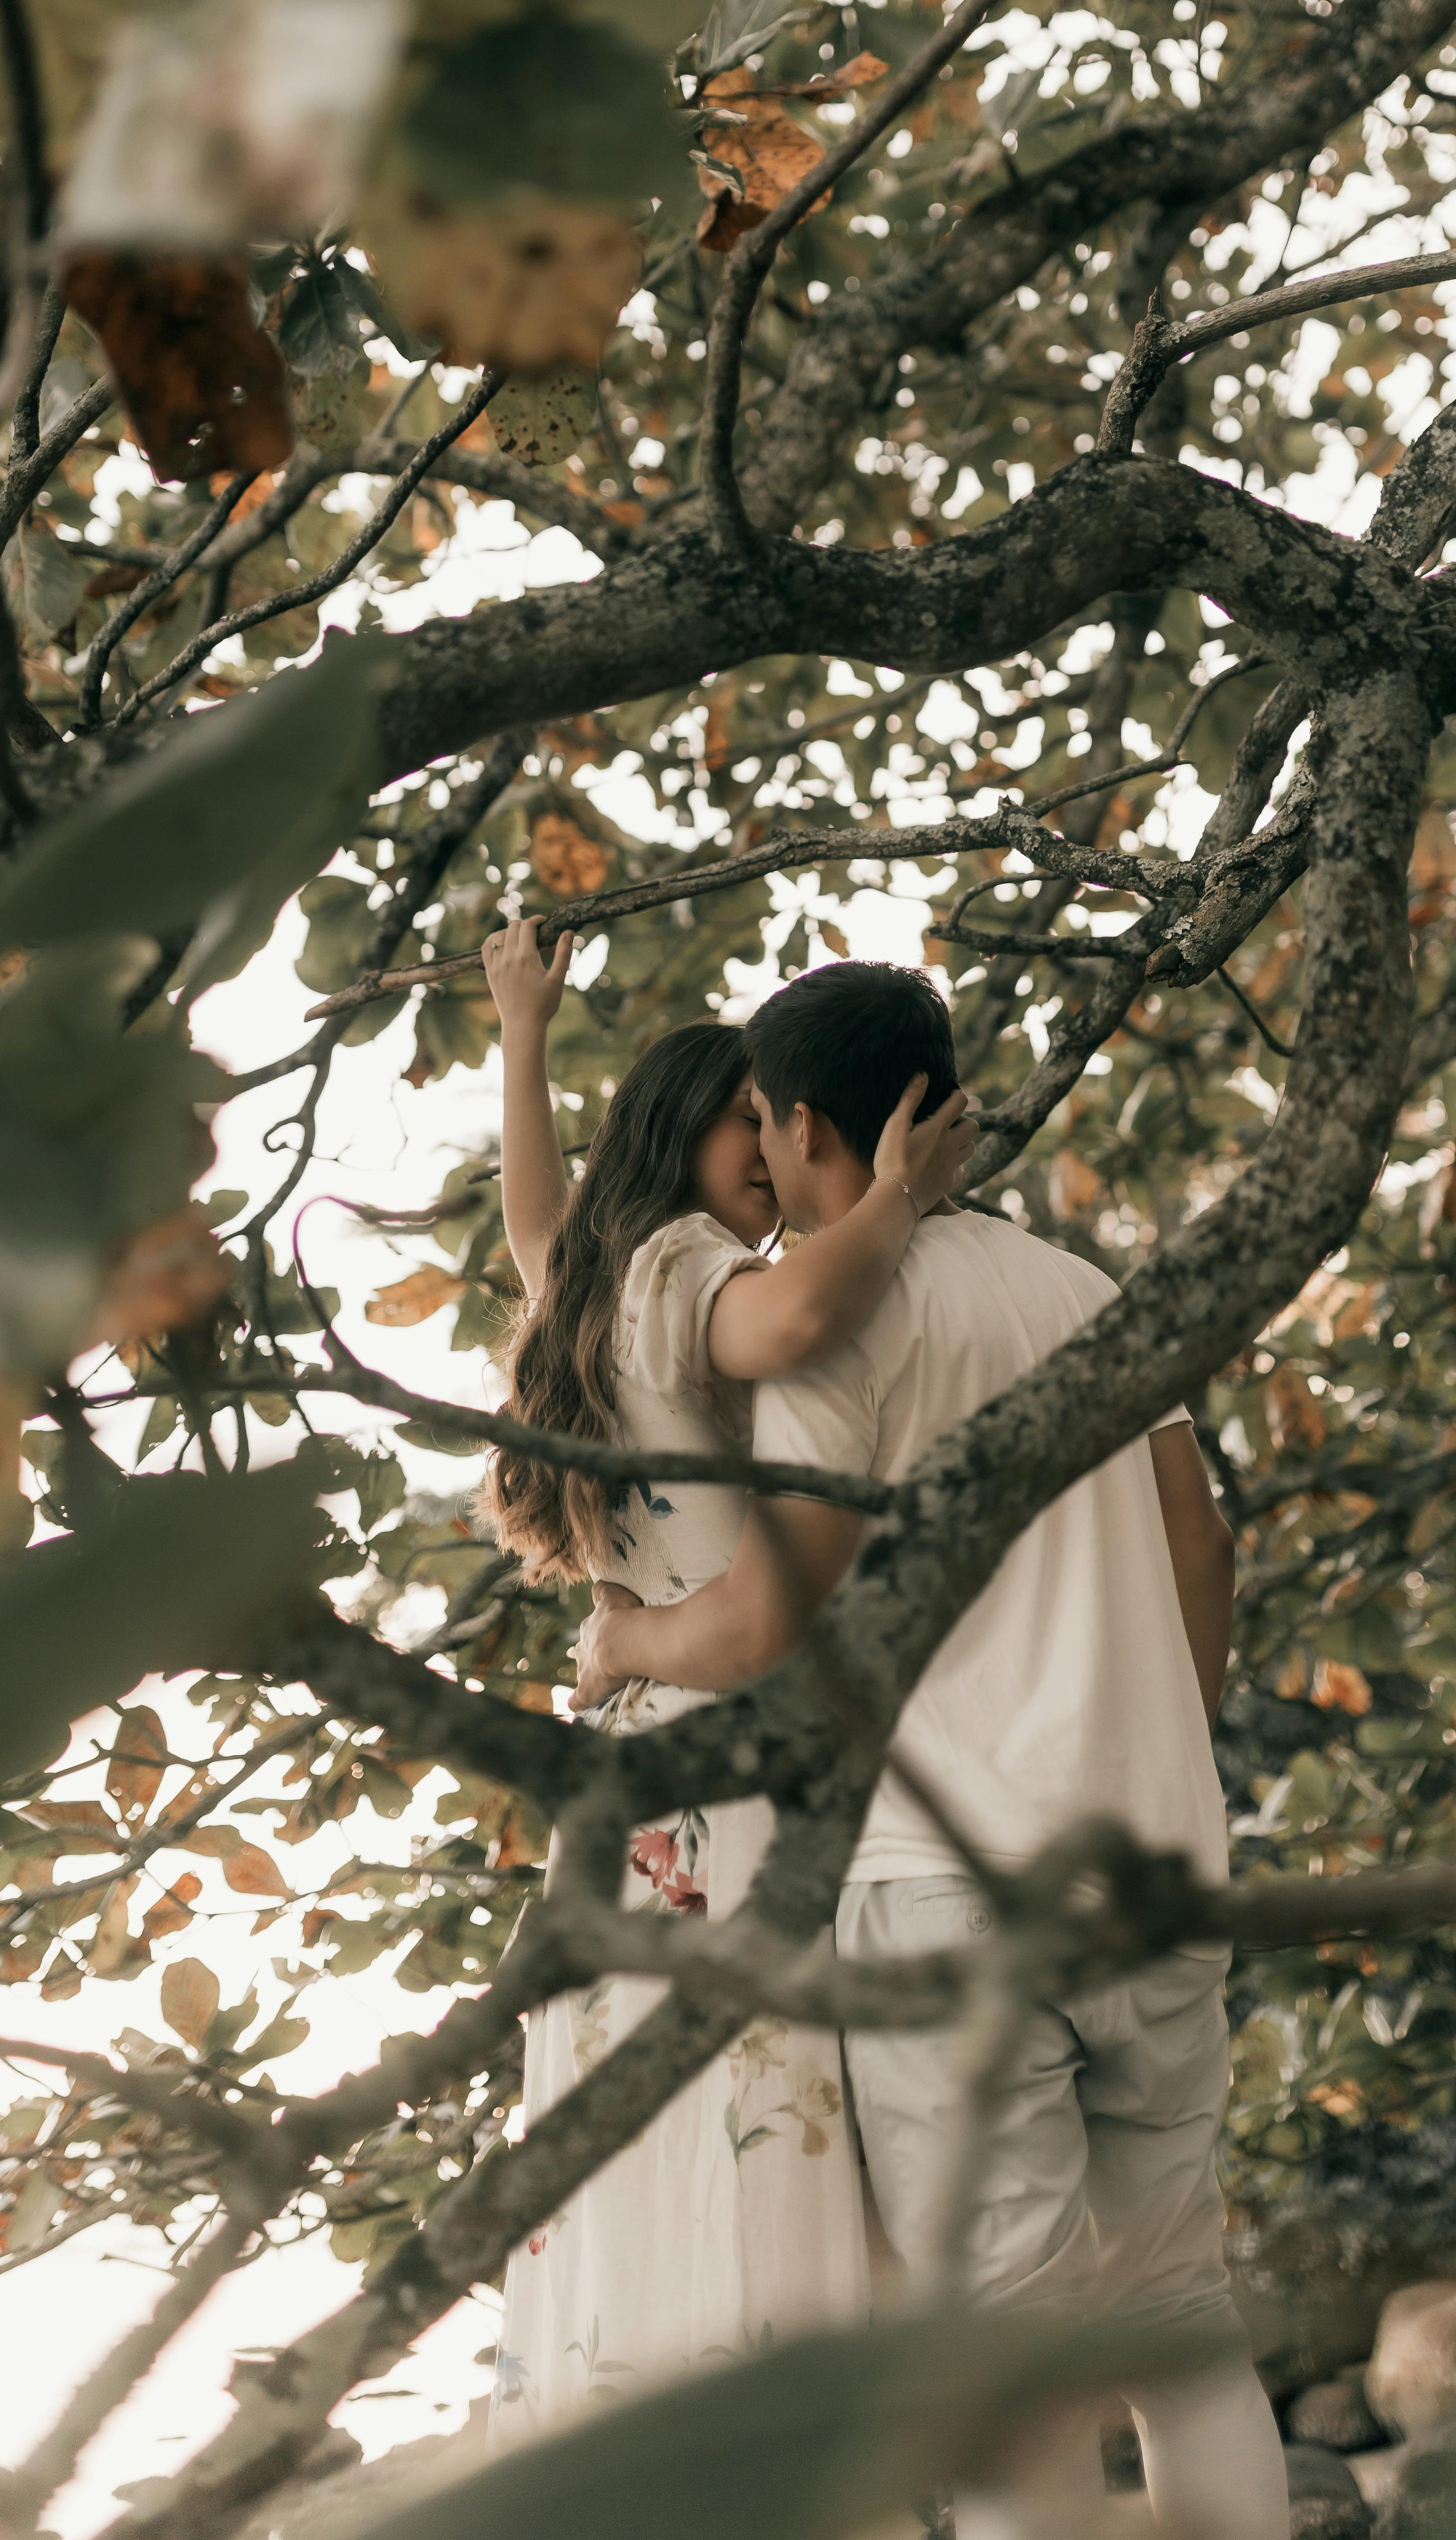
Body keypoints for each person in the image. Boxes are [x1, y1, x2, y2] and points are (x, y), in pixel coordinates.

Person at [577, 960, 1290, 2540]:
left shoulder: (848, 1322)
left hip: (953, 1883)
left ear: (807, 1119)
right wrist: (1161, 1751)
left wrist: (625, 1640)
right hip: (1161, 1859)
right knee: (1181, 2313)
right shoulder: (1078, 1288)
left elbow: (778, 1623)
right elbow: (1203, 1547)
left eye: (764, 1121)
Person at [475, 919, 974, 2435]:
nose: (768, 1139)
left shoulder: (591, 1287)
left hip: (634, 1758)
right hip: (725, 1750)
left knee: (654, 2138)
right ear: (682, 1128)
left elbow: (528, 1216)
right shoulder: (687, 1268)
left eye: (772, 1114)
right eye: (739, 1113)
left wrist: (520, 1028)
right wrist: (894, 1196)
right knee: (760, 2127)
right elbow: (805, 1315)